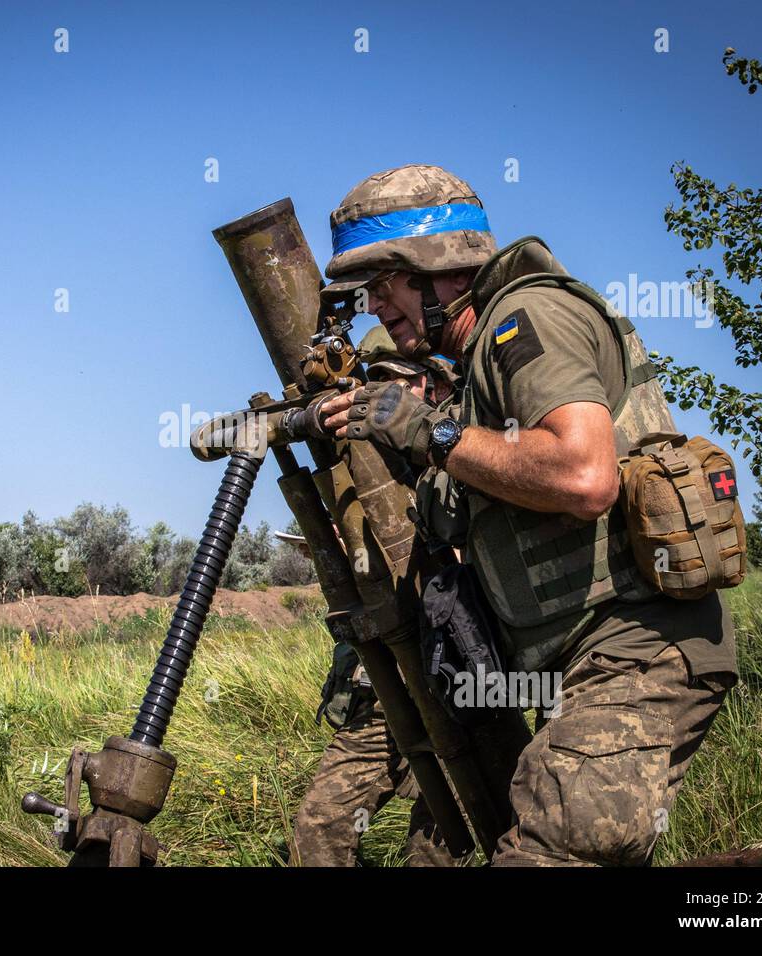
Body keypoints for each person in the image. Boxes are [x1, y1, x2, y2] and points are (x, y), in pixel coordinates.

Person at [310, 164, 736, 866]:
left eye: (384, 285)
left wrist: (429, 432)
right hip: (569, 661)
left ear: (439, 267)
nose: (376, 309)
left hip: (637, 647)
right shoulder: (474, 375)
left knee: (548, 852)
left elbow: (583, 475)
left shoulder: (525, 318)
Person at [288, 329, 464, 868]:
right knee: (316, 831)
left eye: (396, 385)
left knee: (440, 844)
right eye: (375, 382)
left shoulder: (465, 459)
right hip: (379, 691)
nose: (379, 399)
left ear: (430, 388)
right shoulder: (355, 468)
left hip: (457, 689)